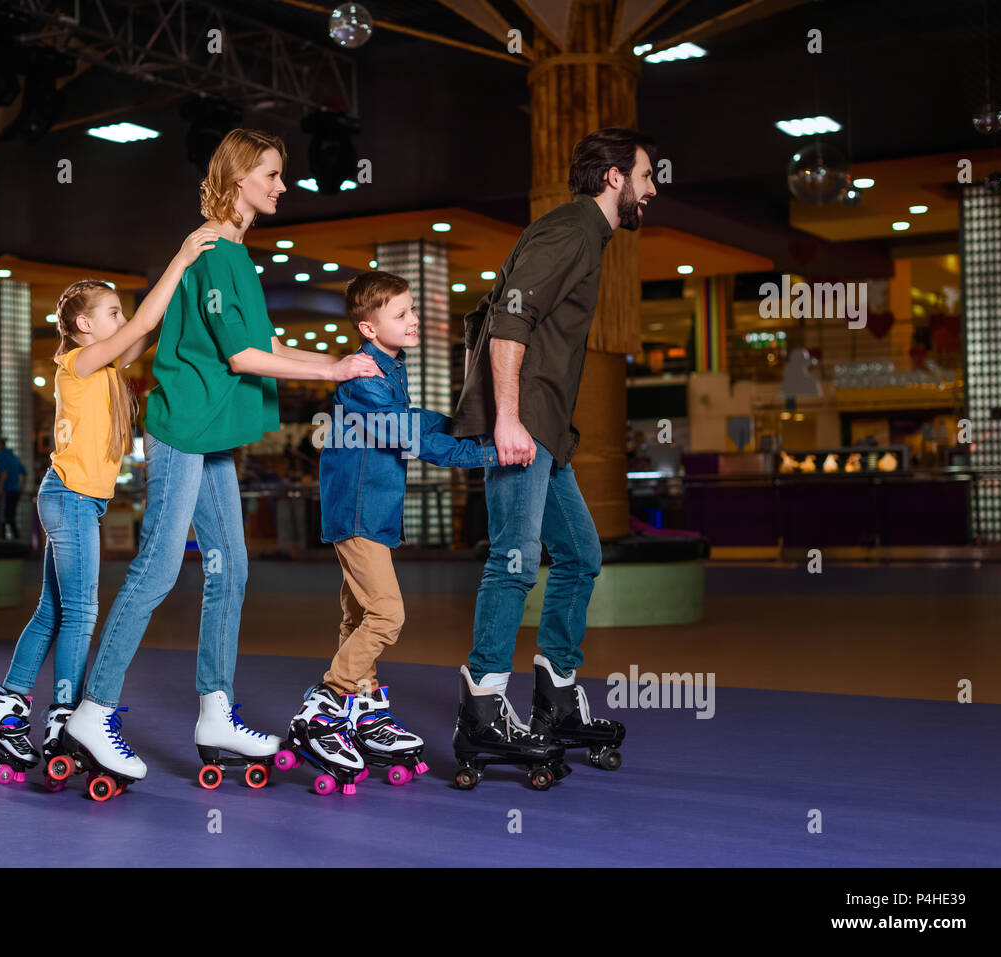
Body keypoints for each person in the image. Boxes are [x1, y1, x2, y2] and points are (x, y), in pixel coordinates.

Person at [62, 128, 380, 792]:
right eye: (271, 173)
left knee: (231, 568)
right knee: (156, 569)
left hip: (211, 435)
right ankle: (92, 713)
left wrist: (330, 364)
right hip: (183, 430)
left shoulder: (232, 252)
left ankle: (214, 714)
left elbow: (254, 346)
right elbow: (243, 357)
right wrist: (334, 366)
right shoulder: (213, 253)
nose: (282, 185)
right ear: (240, 178)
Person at [0, 230, 219, 788]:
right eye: (111, 312)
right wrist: (182, 257)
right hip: (71, 500)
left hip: (74, 501)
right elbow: (143, 324)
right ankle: (63, 720)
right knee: (81, 614)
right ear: (84, 326)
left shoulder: (104, 370)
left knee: (52, 612)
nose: (121, 318)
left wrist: (189, 283)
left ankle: (3, 713)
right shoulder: (77, 364)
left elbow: (145, 330)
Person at [450, 127, 656, 781]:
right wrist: (508, 419)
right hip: (522, 425)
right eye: (647, 176)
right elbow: (510, 319)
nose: (653, 189)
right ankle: (481, 712)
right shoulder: (569, 230)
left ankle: (556, 695)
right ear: (616, 178)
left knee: (581, 555)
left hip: (546, 430)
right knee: (513, 562)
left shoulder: (586, 238)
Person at [280, 271, 499, 795]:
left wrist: (470, 429)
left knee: (357, 615)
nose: (414, 319)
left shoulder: (389, 370)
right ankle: (327, 703)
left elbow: (417, 421)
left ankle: (363, 708)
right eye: (401, 314)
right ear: (368, 327)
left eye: (412, 310)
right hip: (357, 514)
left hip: (373, 513)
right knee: (386, 614)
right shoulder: (361, 378)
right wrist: (487, 451)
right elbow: (409, 438)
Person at [0, 438, 27, 538]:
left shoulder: (2, 455)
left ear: (0, 445)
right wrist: (22, 488)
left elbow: (4, 472)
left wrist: (0, 487)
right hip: (16, 491)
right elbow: (24, 473)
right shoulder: (13, 457)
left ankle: (3, 542)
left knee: (4, 517)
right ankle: (16, 538)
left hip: (8, 490)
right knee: (11, 515)